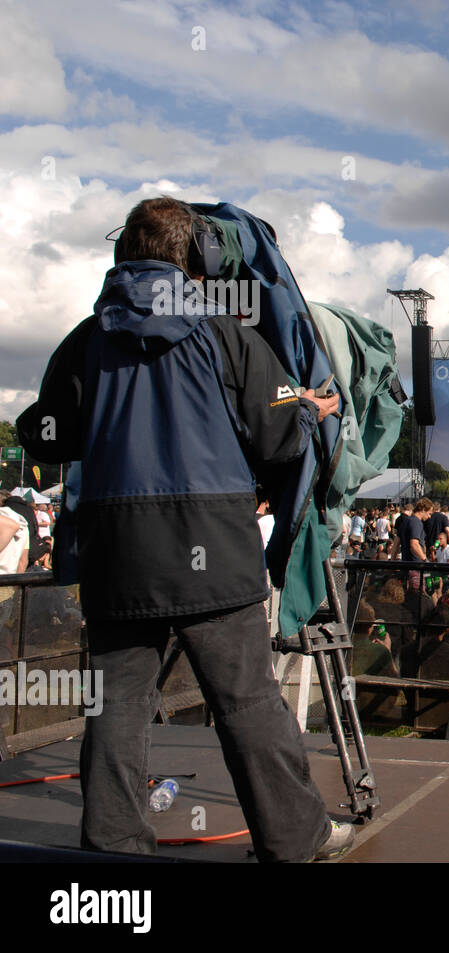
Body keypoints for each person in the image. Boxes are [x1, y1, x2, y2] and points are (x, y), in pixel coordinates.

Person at [16, 195, 348, 861]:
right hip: (215, 546)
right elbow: (281, 436)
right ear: (197, 258)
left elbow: (46, 434)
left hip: (119, 550)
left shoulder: (85, 340)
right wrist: (308, 408)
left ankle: (113, 852)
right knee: (250, 704)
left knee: (116, 710)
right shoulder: (228, 333)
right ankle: (296, 839)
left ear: (121, 255)